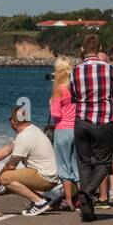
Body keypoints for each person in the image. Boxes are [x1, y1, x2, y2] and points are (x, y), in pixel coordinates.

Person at [69, 33, 113, 221]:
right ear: (100, 49)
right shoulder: (110, 70)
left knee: (84, 162)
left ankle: (87, 205)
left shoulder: (75, 70)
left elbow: (73, 96)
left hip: (82, 120)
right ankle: (88, 192)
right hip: (103, 120)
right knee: (103, 162)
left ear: (83, 49)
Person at [0, 106, 62, 216]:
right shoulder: (32, 129)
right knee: (8, 177)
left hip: (45, 177)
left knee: (6, 177)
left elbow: (11, 166)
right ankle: (43, 199)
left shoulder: (24, 136)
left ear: (13, 121)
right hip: (49, 175)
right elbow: (8, 149)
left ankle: (39, 202)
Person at [48, 56, 78, 209]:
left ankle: (69, 200)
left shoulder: (59, 89)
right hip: (77, 128)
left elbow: (56, 115)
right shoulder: (75, 87)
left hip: (63, 129)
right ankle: (81, 198)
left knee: (64, 167)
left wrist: (50, 104)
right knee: (76, 165)